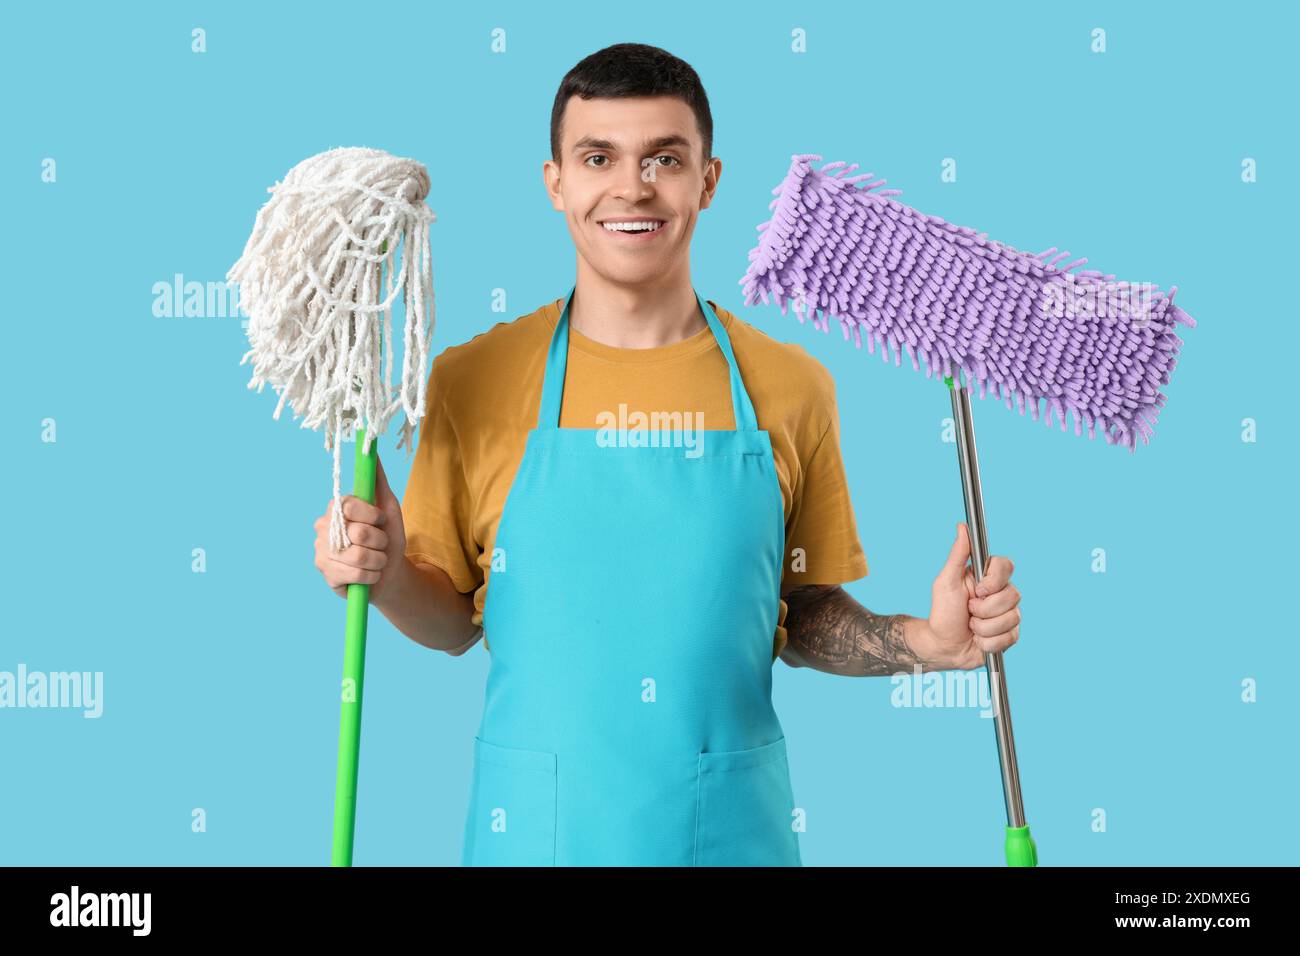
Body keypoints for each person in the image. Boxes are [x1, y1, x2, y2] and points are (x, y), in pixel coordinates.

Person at [312, 42, 1022, 867]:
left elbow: (801, 611)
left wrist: (925, 644)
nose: (632, 187)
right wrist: (389, 570)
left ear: (707, 181)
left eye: (664, 159)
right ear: (556, 183)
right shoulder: (471, 381)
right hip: (537, 838)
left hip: (729, 837)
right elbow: (452, 627)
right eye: (598, 157)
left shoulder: (790, 387)